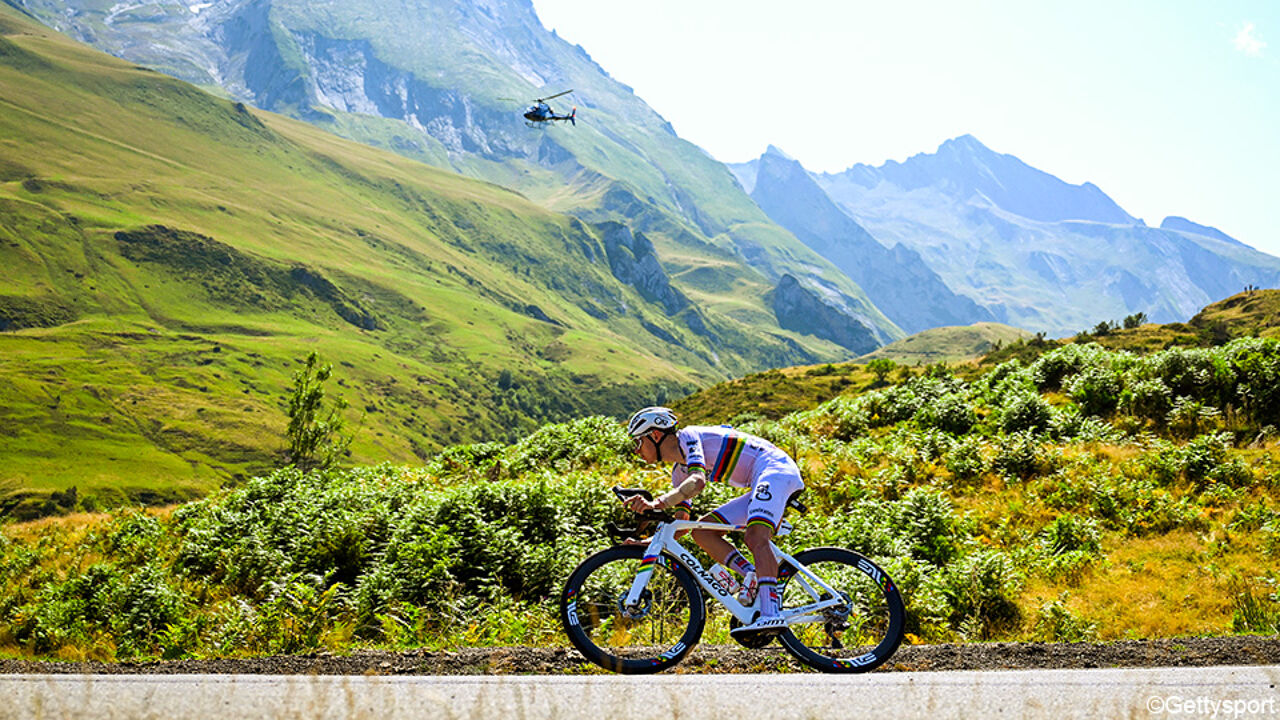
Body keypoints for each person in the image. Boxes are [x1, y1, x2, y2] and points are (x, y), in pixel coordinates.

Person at [621, 406, 804, 636]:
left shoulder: (689, 437)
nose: (636, 450)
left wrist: (657, 503)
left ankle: (770, 614)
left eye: (638, 442)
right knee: (702, 532)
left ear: (655, 435)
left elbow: (697, 482)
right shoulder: (679, 473)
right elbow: (681, 525)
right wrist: (648, 544)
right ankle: (752, 574)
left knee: (756, 536)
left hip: (775, 469)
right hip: (760, 478)